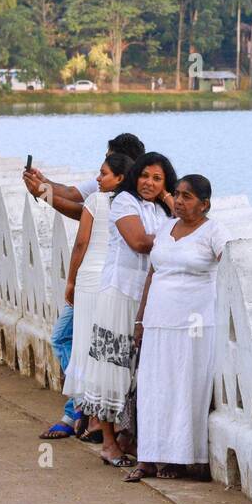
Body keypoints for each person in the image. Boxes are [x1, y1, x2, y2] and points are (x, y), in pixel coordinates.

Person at [27, 133, 146, 440]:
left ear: (122, 171)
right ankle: (92, 413)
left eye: (105, 168)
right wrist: (43, 186)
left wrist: (71, 281)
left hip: (96, 281)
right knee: (97, 347)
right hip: (115, 284)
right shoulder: (116, 194)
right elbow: (71, 195)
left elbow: (82, 228)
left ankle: (84, 410)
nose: (98, 174)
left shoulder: (114, 197)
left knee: (79, 343)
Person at [125, 175, 229, 483]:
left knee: (185, 388)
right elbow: (153, 273)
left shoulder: (215, 231)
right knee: (152, 387)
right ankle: (147, 458)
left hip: (194, 323)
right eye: (178, 194)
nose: (179, 201)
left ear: (204, 204)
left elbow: (232, 268)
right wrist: (140, 319)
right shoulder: (166, 227)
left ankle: (179, 458)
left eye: (187, 197)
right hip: (159, 319)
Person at [79, 151, 175, 467]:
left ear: (166, 183)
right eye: (145, 175)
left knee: (141, 370)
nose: (149, 182)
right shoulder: (123, 202)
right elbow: (139, 242)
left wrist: (171, 209)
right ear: (135, 175)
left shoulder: (161, 209)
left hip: (148, 297)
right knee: (112, 365)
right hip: (119, 293)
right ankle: (108, 442)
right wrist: (176, 229)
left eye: (157, 178)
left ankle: (127, 435)